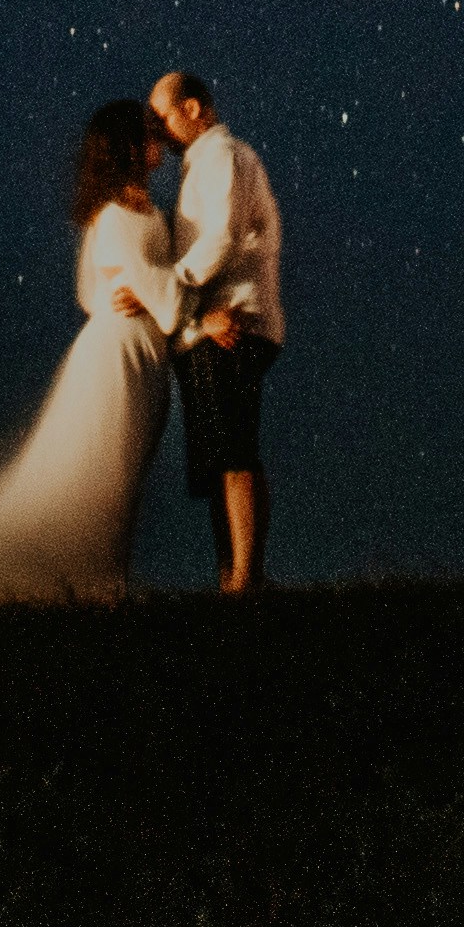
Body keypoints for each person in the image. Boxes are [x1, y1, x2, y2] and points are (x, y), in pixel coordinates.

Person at [0, 103, 188, 601]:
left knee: (128, 473)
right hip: (117, 354)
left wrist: (136, 296)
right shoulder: (113, 215)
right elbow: (117, 288)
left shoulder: (146, 211)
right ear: (126, 145)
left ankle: (110, 581)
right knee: (107, 470)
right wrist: (147, 300)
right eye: (148, 134)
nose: (159, 144)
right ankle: (102, 584)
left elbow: (108, 287)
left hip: (146, 350)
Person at [149, 68, 286, 593]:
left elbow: (226, 234)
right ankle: (234, 573)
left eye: (163, 114)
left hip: (235, 322)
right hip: (214, 325)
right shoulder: (201, 165)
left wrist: (175, 287)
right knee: (223, 456)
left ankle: (244, 578)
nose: (159, 126)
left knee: (233, 453)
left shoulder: (225, 157)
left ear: (191, 108)